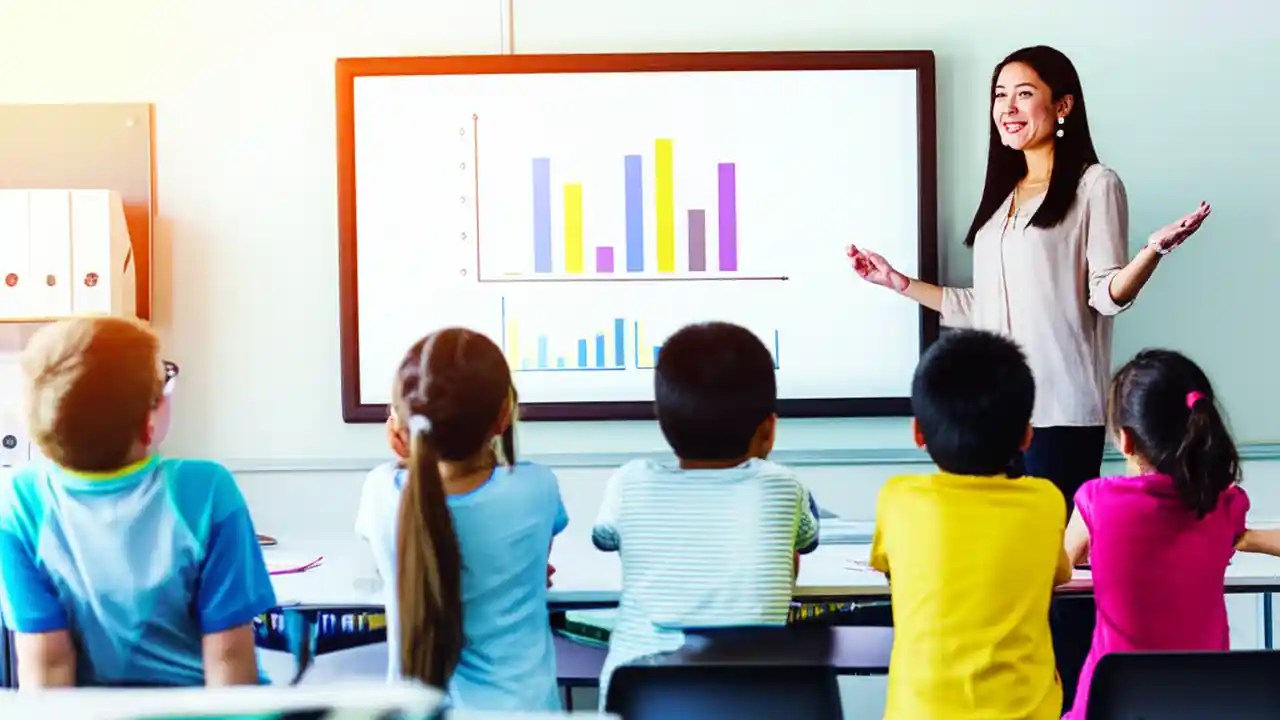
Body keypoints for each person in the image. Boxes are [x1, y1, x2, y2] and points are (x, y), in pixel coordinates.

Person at [847, 44, 1211, 704]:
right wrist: (898, 283)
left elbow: (1105, 294)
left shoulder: (1096, 184)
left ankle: (1069, 703)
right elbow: (979, 307)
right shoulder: (1006, 198)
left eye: (1023, 93)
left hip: (1062, 413)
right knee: (998, 579)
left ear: (1062, 104)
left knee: (1059, 586)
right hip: (999, 411)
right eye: (998, 95)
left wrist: (1152, 252)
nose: (1007, 109)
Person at [0, 316, 275, 687]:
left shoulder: (19, 502)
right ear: (148, 424)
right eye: (165, 379)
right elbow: (229, 656)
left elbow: (46, 664)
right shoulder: (206, 490)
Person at [591, 321, 819, 706]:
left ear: (661, 421)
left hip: (640, 706)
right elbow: (807, 542)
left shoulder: (629, 482)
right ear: (769, 430)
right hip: (753, 709)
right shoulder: (782, 485)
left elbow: (604, 538)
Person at [356, 327, 568, 711]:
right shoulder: (537, 488)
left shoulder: (381, 493)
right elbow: (537, 566)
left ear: (400, 428)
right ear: (503, 415)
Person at [1062, 349, 1280, 718]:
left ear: (1125, 440)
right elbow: (1231, 536)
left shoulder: (1096, 501)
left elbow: (1059, 567)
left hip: (1110, 708)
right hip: (1207, 708)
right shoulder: (1225, 504)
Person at [870, 329, 1072, 720]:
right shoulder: (1046, 500)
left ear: (918, 433)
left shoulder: (897, 499)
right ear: (1027, 437)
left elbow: (888, 568)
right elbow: (1057, 573)